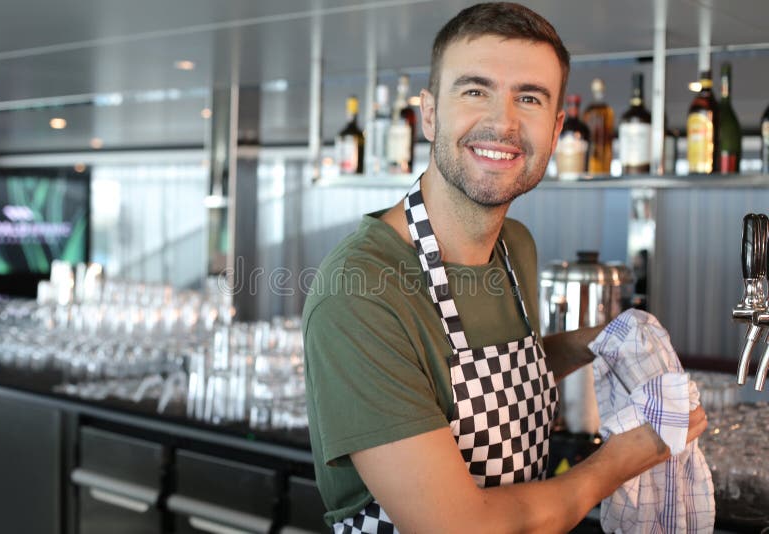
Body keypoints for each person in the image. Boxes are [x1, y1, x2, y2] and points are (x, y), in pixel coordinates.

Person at [303, 3, 708, 533]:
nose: (504, 122)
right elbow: (460, 528)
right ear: (428, 114)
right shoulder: (360, 291)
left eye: (530, 97)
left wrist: (604, 340)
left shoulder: (515, 246)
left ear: (557, 125)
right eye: (475, 90)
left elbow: (493, 372)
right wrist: (629, 455)